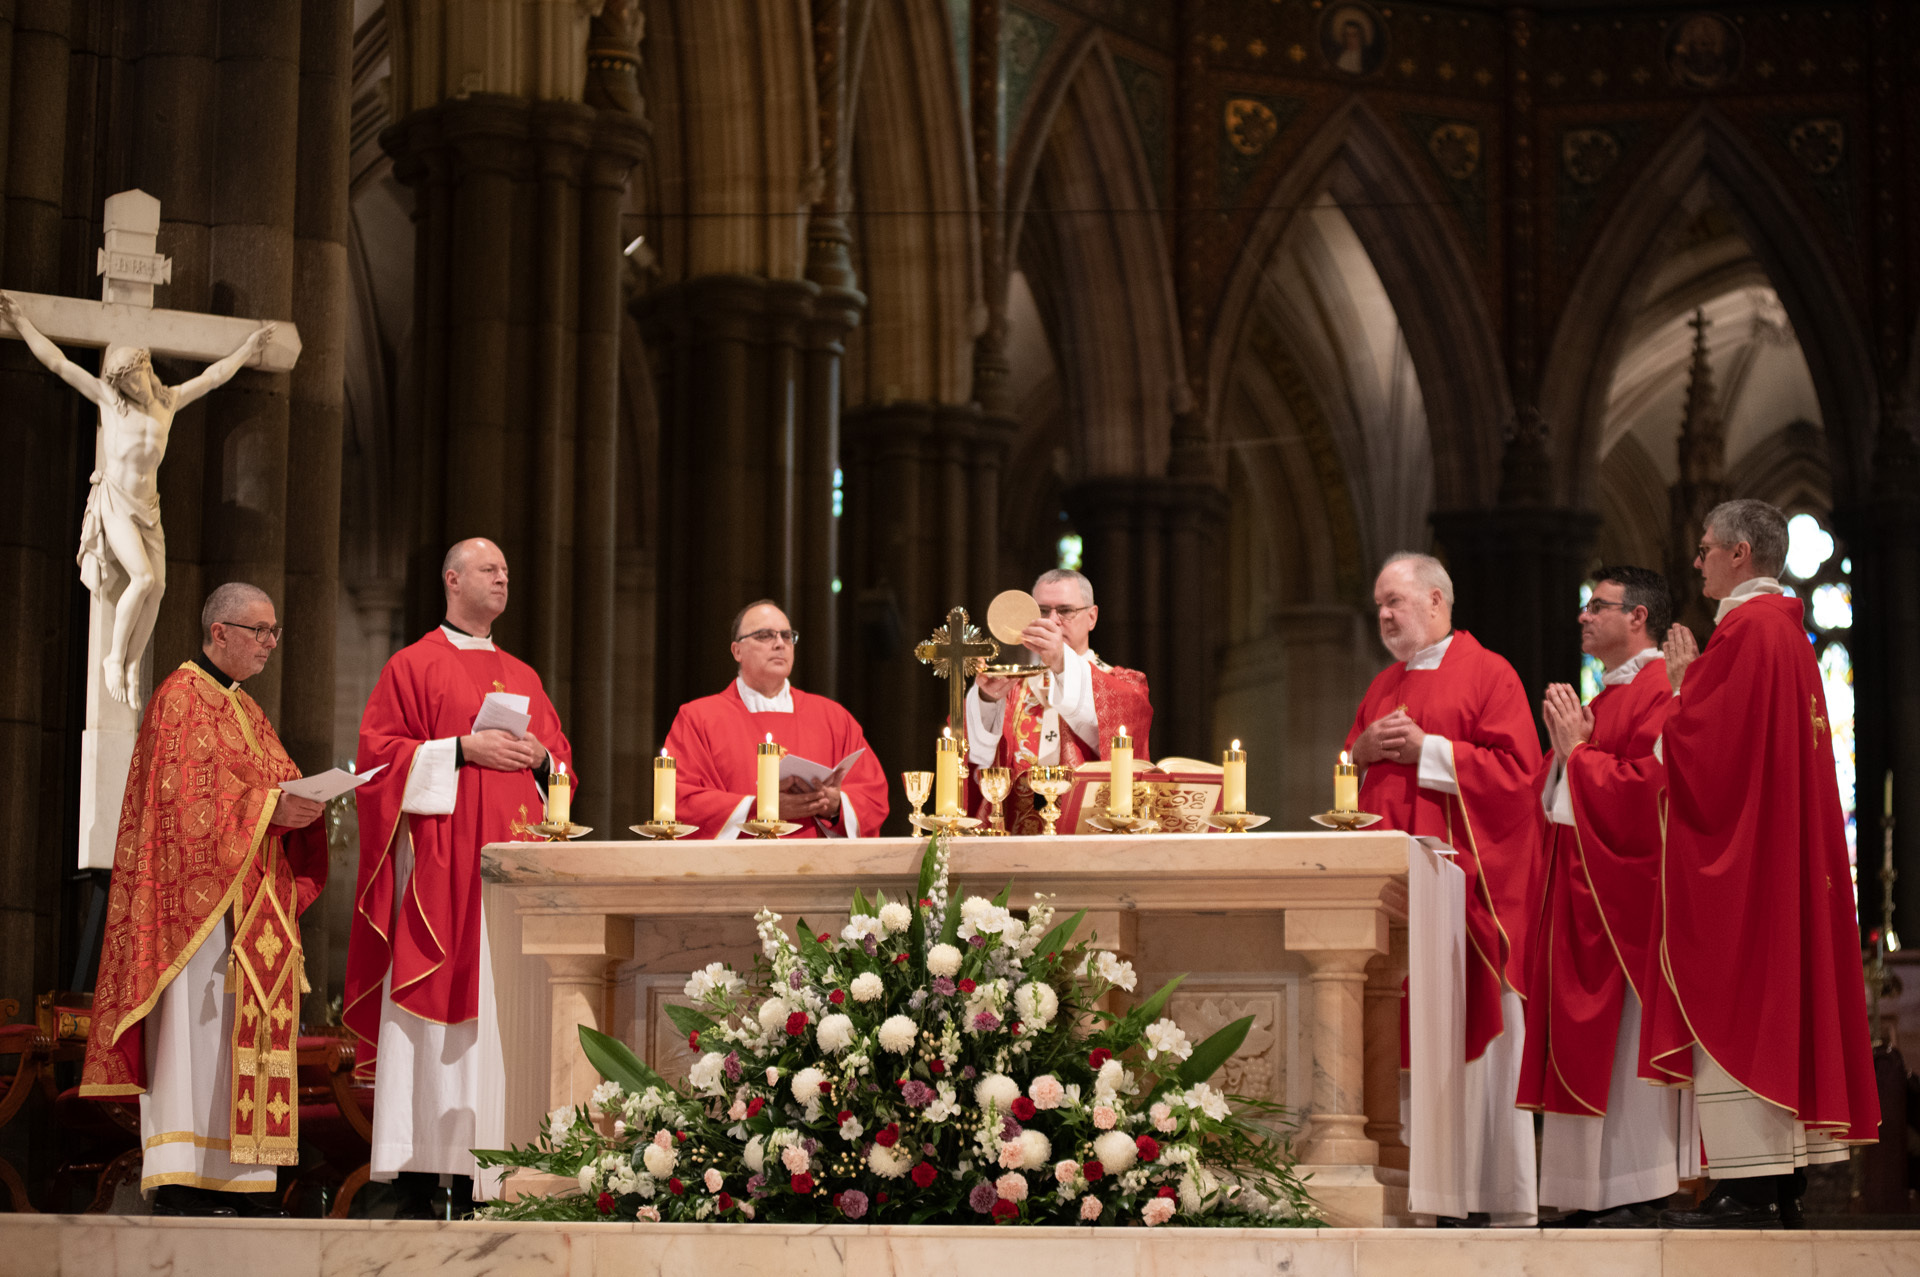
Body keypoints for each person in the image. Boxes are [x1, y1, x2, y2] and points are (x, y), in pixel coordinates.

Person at [1644, 500, 1878, 1228]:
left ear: (1740, 553)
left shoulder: (1747, 632)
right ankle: (1777, 1177)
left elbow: (1700, 754)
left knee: (1741, 992)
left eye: (1707, 547)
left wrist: (1680, 687)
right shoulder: (1787, 631)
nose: (1698, 560)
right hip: (1782, 855)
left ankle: (1748, 1182)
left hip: (1747, 867)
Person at [78, 583, 327, 1216]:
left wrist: (302, 804)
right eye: (259, 631)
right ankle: (186, 1176)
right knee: (196, 1040)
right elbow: (187, 808)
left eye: (275, 632)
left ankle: (245, 1179)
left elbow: (273, 784)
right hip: (195, 915)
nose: (271, 643)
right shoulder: (181, 697)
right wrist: (273, 804)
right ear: (220, 633)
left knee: (232, 1041)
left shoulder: (244, 708)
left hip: (252, 911)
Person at [343, 538, 573, 1216]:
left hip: (513, 872)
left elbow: (562, 769)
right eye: (488, 568)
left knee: (505, 1015)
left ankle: (495, 1174)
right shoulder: (411, 666)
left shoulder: (525, 675)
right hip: (441, 874)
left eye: (507, 569)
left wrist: (539, 758)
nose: (503, 577)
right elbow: (378, 761)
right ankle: (418, 1175)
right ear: (451, 579)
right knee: (432, 1015)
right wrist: (459, 749)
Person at [1344, 552, 1541, 1225]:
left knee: (1470, 1045)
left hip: (1464, 895)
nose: (1385, 615)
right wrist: (1364, 750)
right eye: (1378, 605)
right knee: (1398, 1040)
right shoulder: (1381, 685)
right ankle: (1416, 1194)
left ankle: (1486, 1196)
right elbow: (1348, 776)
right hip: (1394, 895)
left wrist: (1430, 748)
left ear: (1436, 600)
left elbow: (1520, 777)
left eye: (1395, 600)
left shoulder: (1489, 674)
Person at [0, 290, 272, 706]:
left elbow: (215, 376)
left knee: (159, 586)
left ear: (145, 370)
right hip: (117, 501)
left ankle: (131, 663)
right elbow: (58, 363)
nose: (130, 387)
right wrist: (20, 322)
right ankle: (114, 657)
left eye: (133, 378)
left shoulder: (168, 402)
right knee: (142, 578)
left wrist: (249, 349)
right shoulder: (112, 403)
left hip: (149, 506)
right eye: (123, 382)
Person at [1519, 566, 1689, 1226]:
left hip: (1626, 904)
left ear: (1638, 617)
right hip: (1581, 897)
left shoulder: (1658, 692)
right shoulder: (1608, 694)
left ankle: (1636, 1189)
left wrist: (1578, 755)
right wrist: (1567, 757)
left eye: (1599, 606)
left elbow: (1653, 790)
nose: (1584, 616)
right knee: (1586, 1045)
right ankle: (1586, 1193)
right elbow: (1551, 794)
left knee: (1621, 1047)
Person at [663, 600, 889, 838]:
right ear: (736, 651)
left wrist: (835, 806)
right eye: (764, 636)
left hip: (818, 868)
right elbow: (683, 800)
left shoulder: (834, 717)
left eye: (787, 636)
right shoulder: (698, 718)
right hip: (735, 869)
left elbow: (872, 795)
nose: (780, 644)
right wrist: (761, 808)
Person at [965, 568, 1153, 834]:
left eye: (1065, 611)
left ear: (1092, 617)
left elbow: (1122, 721)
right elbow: (976, 757)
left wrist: (1062, 662)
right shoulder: (1012, 685)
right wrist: (986, 698)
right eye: (1042, 611)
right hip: (1015, 841)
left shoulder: (1124, 684)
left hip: (1089, 836)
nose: (1052, 621)